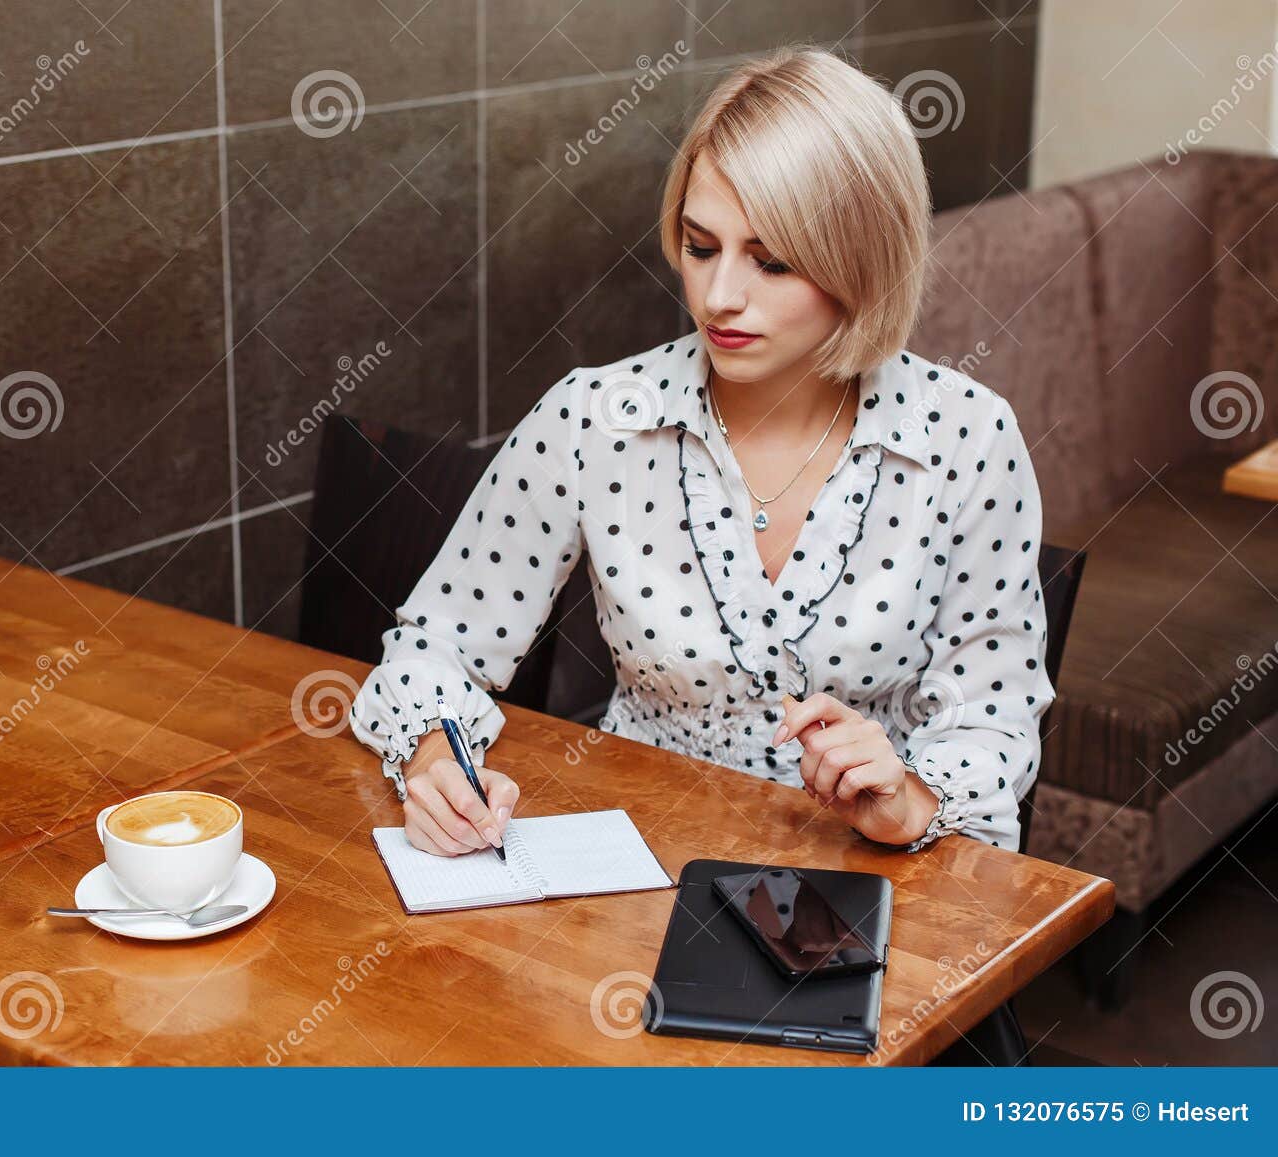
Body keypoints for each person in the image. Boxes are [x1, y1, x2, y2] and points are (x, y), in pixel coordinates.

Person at [348, 46, 1053, 860]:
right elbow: (435, 646)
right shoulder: (595, 418)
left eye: (772, 260)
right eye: (700, 245)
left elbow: (994, 718)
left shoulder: (966, 438)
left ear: (864, 261)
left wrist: (908, 798)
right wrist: (436, 759)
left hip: (874, 883)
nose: (719, 297)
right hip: (636, 868)